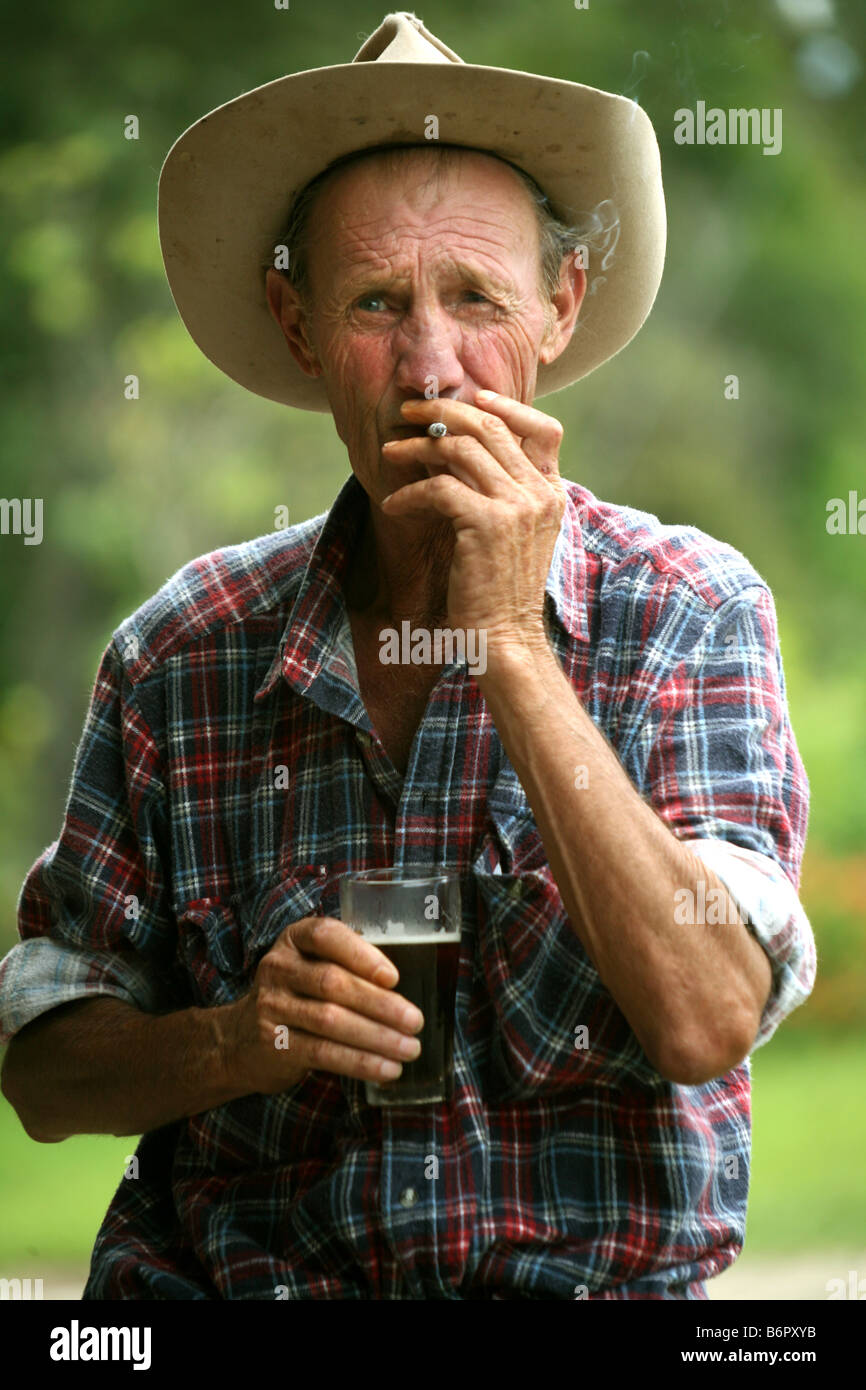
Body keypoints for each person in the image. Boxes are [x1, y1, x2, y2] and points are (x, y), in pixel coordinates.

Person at [0, 13, 815, 1300]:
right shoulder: (180, 650)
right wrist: (234, 1040)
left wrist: (508, 643)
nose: (431, 368)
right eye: (376, 303)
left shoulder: (686, 610)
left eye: (475, 298)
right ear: (299, 326)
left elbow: (705, 1015)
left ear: (558, 305)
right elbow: (43, 1072)